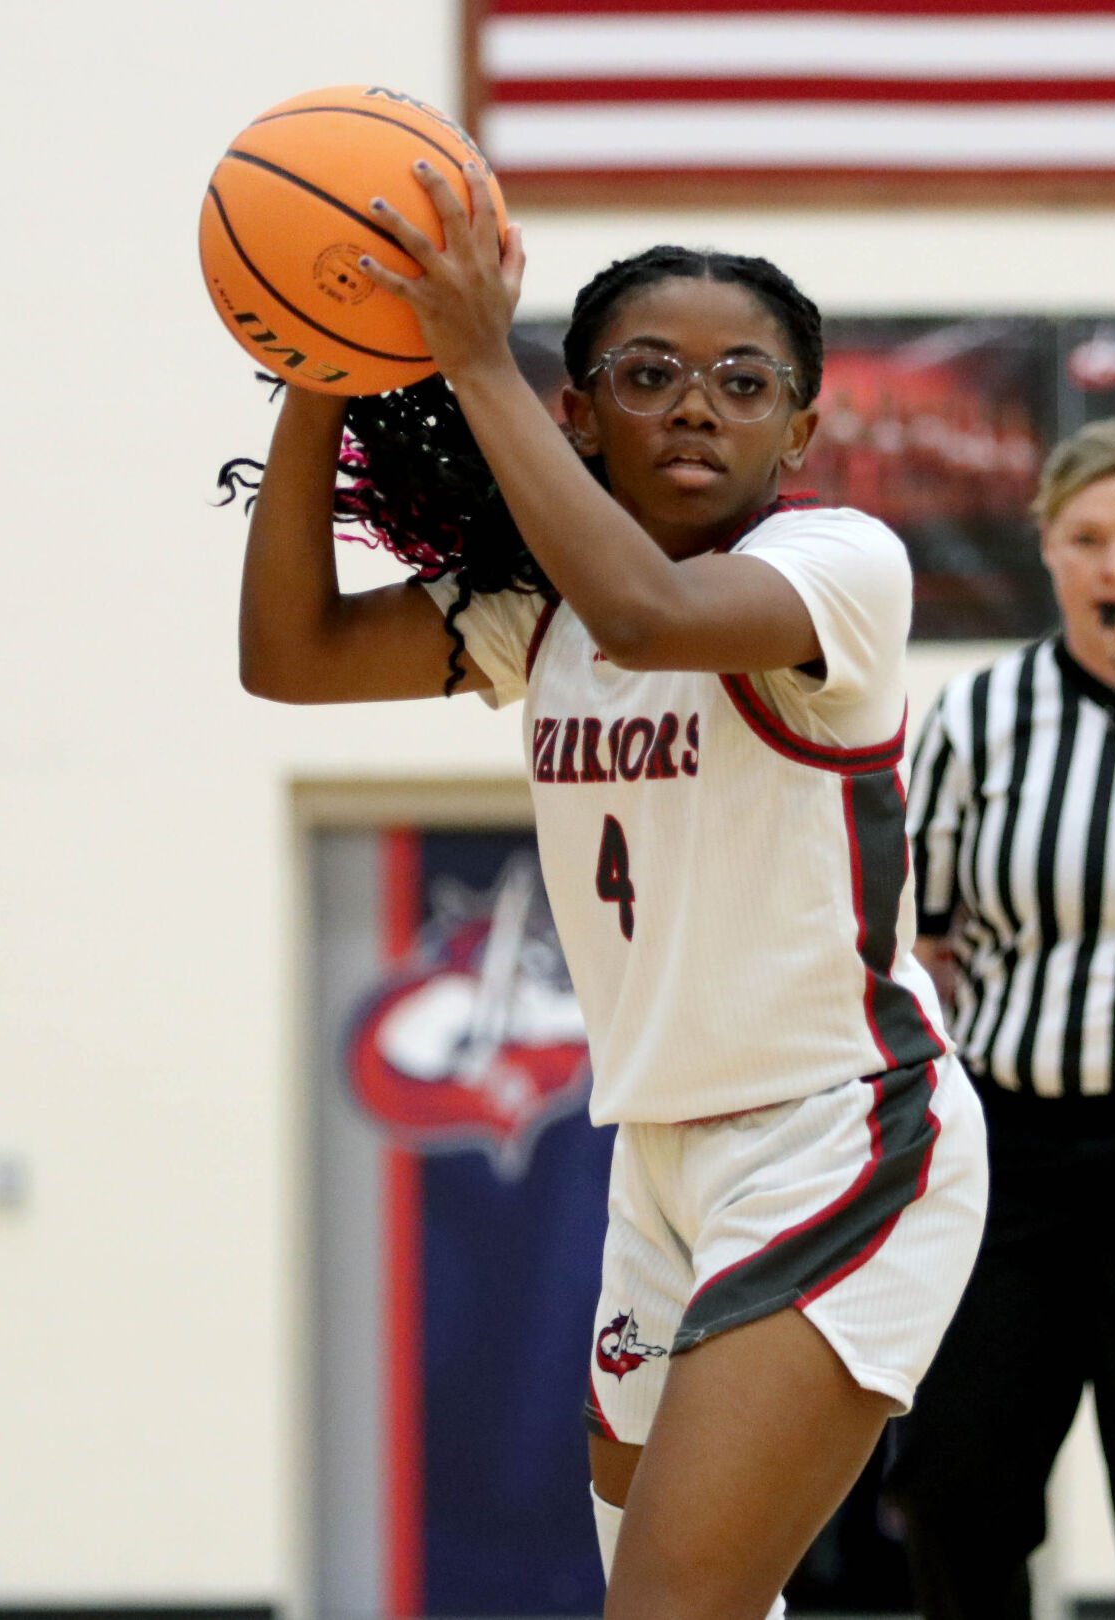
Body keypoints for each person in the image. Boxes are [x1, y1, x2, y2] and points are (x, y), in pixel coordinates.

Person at [230, 165, 987, 1620]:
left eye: (743, 381)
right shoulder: (540, 615)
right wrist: (317, 380)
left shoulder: (837, 564)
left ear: (802, 431)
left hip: (843, 1130)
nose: (698, 403)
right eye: (648, 374)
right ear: (575, 412)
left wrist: (467, 357)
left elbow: (651, 619)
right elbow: (291, 654)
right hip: (660, 1160)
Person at [890, 417, 1115, 1620]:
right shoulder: (970, 721)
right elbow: (929, 942)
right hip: (1008, 1156)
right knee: (957, 1489)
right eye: (1089, 539)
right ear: (1045, 545)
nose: (1114, 567)